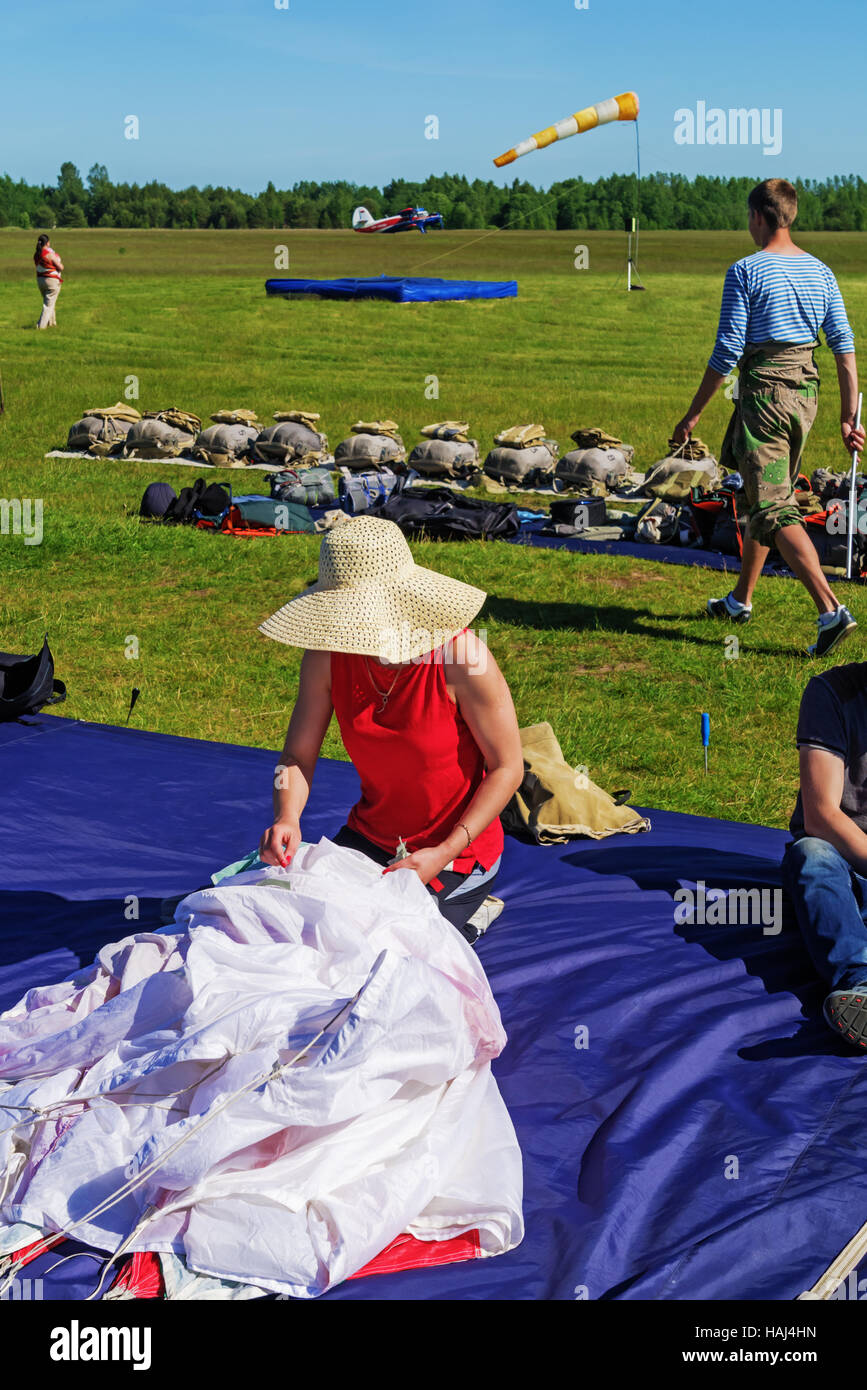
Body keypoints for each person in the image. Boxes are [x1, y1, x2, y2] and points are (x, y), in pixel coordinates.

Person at [256, 515, 525, 943]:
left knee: (383, 943)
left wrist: (443, 852)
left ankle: (471, 908)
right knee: (289, 923)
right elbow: (295, 758)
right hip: (368, 837)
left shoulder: (462, 658)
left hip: (456, 852)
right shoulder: (328, 656)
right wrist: (286, 816)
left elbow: (508, 767)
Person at [672, 178, 865, 658]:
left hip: (766, 396)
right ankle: (740, 600)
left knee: (774, 504)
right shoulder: (821, 272)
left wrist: (693, 414)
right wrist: (849, 417)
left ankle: (831, 611)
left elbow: (727, 350)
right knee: (758, 492)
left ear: (759, 216)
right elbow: (844, 349)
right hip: (806, 395)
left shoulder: (745, 271)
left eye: (749, 218)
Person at [782, 662, 867, 1048]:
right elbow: (821, 816)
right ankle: (861, 987)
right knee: (812, 856)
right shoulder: (833, 693)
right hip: (842, 865)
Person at [33, 234, 63, 329]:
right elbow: (60, 267)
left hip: (40, 280)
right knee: (48, 305)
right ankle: (41, 326)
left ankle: (52, 323)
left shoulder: (36, 255)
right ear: (47, 243)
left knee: (50, 303)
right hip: (51, 280)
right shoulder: (50, 254)